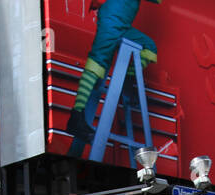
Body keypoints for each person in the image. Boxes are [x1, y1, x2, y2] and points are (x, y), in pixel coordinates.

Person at [65, 0, 159, 144]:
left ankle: (126, 81)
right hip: (112, 19)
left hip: (123, 25)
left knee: (149, 47)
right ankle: (76, 115)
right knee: (98, 60)